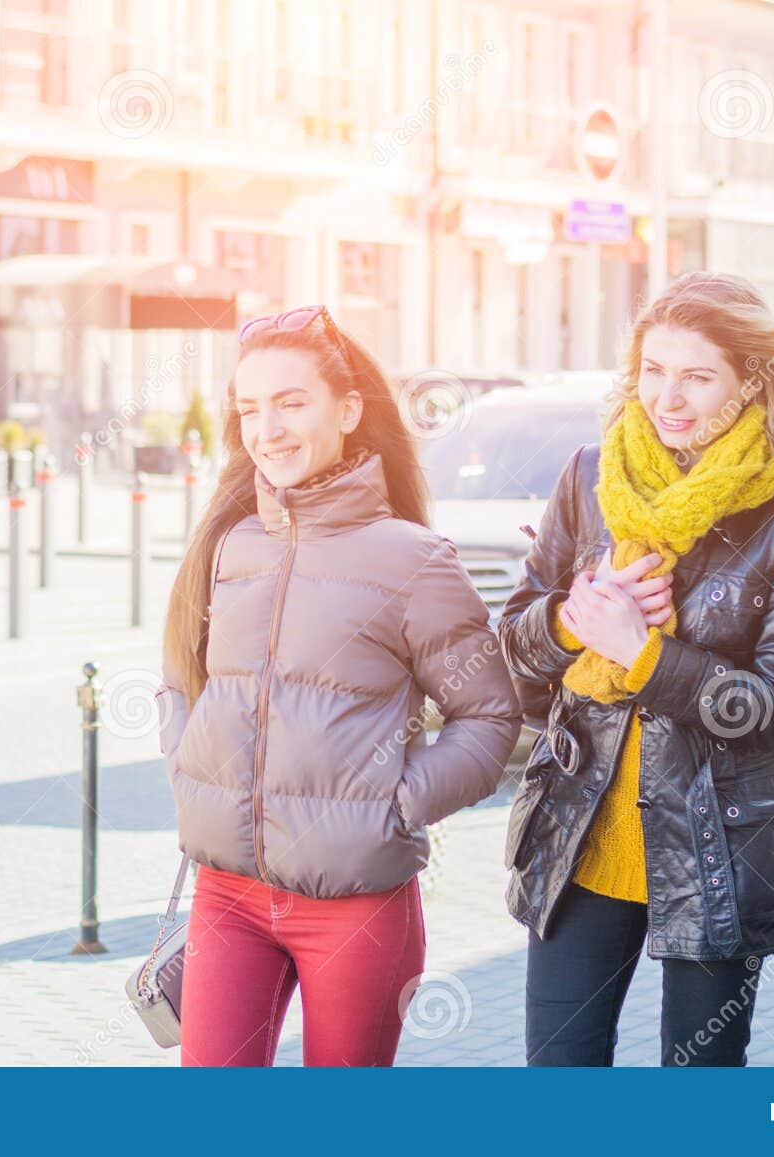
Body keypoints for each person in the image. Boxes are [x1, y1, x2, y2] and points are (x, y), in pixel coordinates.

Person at [155, 305, 520, 1067]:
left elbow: (488, 716)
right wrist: (191, 764)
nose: (268, 429)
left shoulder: (413, 559)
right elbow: (183, 676)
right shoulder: (231, 542)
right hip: (227, 896)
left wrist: (396, 802)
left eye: (291, 402)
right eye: (250, 408)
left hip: (354, 907)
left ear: (349, 410)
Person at [499, 271, 774, 1067]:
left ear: (749, 380)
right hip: (580, 834)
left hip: (716, 846)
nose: (669, 397)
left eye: (697, 375)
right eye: (654, 370)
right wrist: (569, 619)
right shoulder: (590, 475)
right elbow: (515, 651)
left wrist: (644, 655)